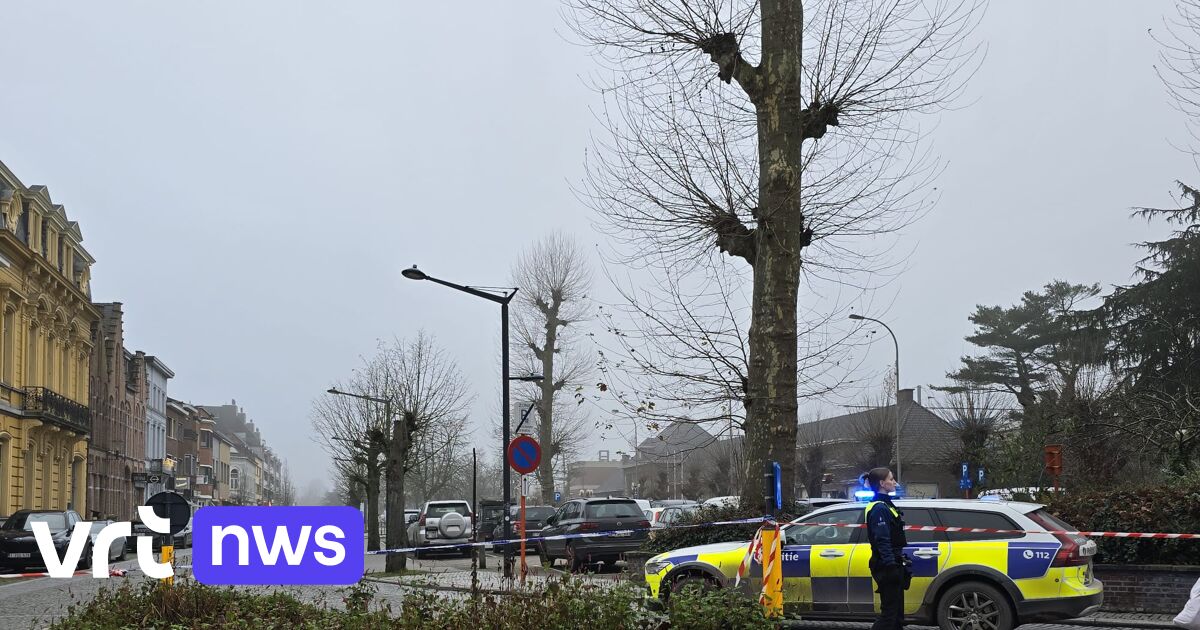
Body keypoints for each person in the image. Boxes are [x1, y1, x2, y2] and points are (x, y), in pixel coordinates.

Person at [862, 467, 911, 630]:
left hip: (893, 562)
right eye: (891, 479)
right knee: (889, 616)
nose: (895, 482)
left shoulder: (885, 505)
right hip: (886, 565)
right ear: (882, 483)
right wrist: (890, 566)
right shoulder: (879, 508)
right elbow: (882, 540)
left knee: (897, 617)